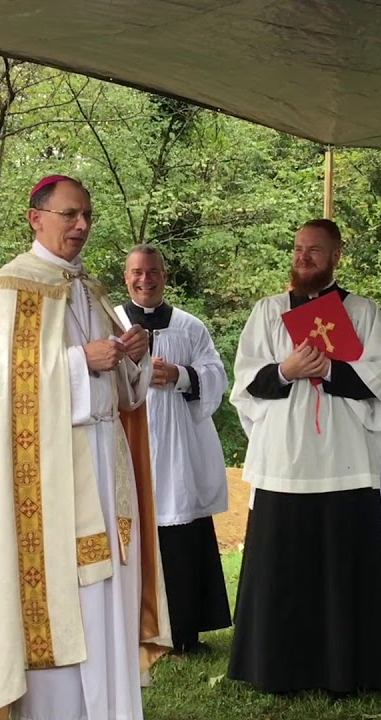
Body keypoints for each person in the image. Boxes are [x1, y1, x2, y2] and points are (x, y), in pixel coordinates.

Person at [0, 175, 171, 720]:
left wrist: (132, 356)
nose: (82, 226)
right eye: (69, 214)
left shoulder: (90, 291)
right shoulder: (7, 292)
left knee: (108, 600)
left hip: (105, 470)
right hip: (46, 487)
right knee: (69, 601)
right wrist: (77, 363)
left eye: (86, 215)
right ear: (35, 218)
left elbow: (124, 392)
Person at [228, 218, 381, 694]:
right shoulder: (267, 311)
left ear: (336, 255)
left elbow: (380, 382)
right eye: (299, 248)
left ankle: (347, 670)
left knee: (343, 578)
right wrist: (285, 370)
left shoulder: (364, 311)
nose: (304, 257)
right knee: (281, 576)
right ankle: (277, 668)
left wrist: (328, 368)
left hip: (345, 463)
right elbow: (244, 385)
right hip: (285, 463)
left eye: (315, 250)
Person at [117, 244, 232, 655]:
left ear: (165, 275)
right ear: (125, 275)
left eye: (152, 272)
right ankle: (129, 633)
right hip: (127, 445)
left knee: (180, 536)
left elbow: (216, 376)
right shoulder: (108, 321)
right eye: (136, 272)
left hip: (178, 450)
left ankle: (184, 631)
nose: (144, 279)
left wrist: (181, 375)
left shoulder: (190, 327)